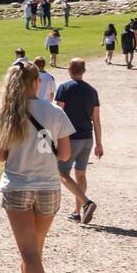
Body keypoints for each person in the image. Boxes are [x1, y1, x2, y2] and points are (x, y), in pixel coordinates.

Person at [0, 59, 77, 273]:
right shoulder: (54, 112)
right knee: (35, 248)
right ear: (37, 82)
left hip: (18, 185)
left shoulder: (6, 114)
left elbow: (0, 155)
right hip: (49, 186)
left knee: (28, 251)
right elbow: (64, 155)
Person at [55, 59, 104, 223]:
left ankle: (86, 203)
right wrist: (99, 143)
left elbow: (58, 113)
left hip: (70, 137)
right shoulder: (92, 91)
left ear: (69, 69)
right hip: (87, 137)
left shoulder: (64, 88)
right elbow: (96, 119)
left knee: (62, 173)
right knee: (81, 174)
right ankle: (77, 212)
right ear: (84, 70)